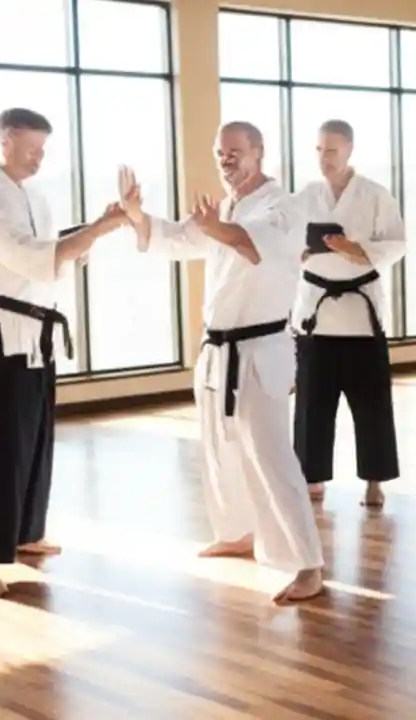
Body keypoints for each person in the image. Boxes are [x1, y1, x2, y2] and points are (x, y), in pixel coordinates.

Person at [119, 121, 325, 604]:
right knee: (219, 450)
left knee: (272, 457)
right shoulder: (226, 207)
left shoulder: (285, 205)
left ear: (259, 151)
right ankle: (237, 533)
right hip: (218, 350)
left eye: (235, 151)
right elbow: (175, 238)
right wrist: (137, 215)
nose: (226, 159)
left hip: (261, 349)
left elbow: (260, 247)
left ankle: (307, 564)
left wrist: (219, 228)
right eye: (220, 153)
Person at [0, 108, 127, 596]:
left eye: (43, 150)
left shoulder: (31, 195)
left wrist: (103, 224)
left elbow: (52, 247)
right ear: (6, 141)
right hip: (2, 338)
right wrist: (100, 228)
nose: (39, 159)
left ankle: (26, 534)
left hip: (35, 338)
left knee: (34, 442)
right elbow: (36, 259)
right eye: (32, 149)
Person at [292, 119, 406, 509]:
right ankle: (312, 477)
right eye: (320, 150)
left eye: (333, 150)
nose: (325, 158)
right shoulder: (305, 195)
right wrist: (303, 252)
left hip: (361, 314)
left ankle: (375, 482)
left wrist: (353, 249)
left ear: (350, 150)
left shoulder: (375, 194)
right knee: (312, 405)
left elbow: (396, 244)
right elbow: (285, 240)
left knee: (371, 405)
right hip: (315, 314)